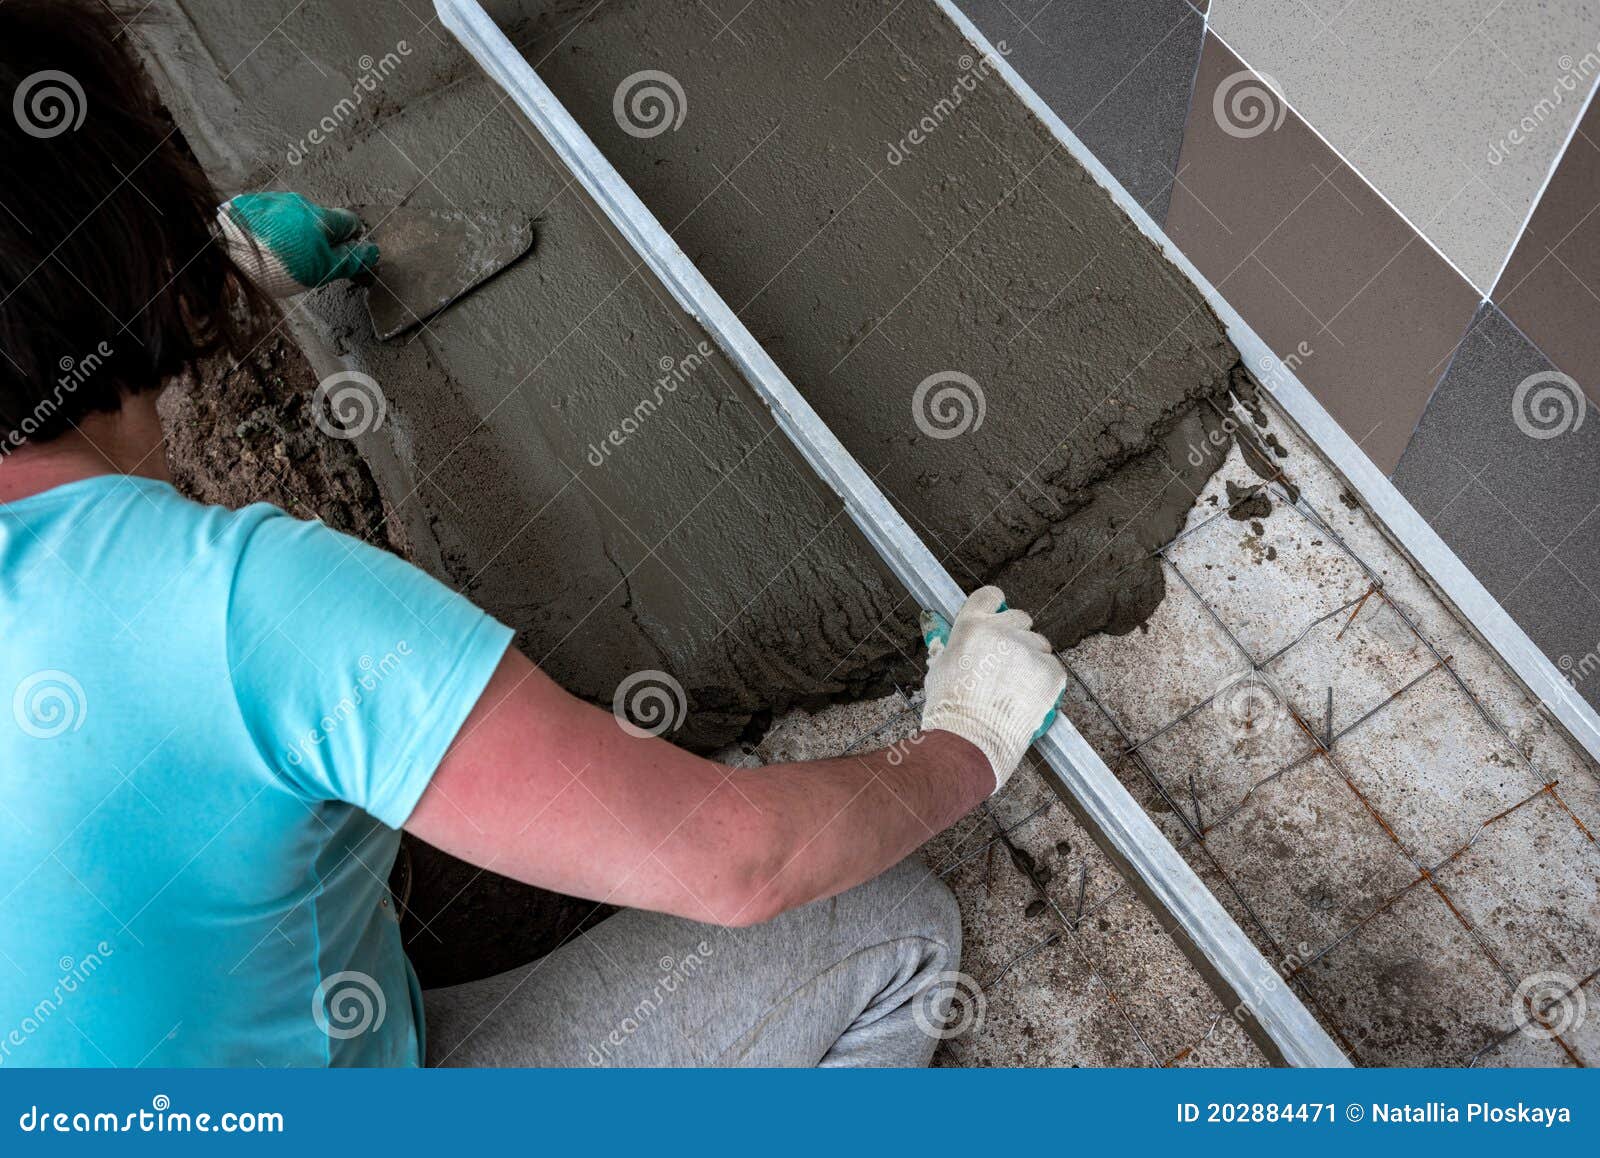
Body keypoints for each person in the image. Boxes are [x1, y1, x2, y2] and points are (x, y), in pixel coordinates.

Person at [0, 0, 1067, 1068]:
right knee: (885, 931)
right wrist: (962, 746)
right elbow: (744, 864)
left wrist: (181, 270)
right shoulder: (240, 611)